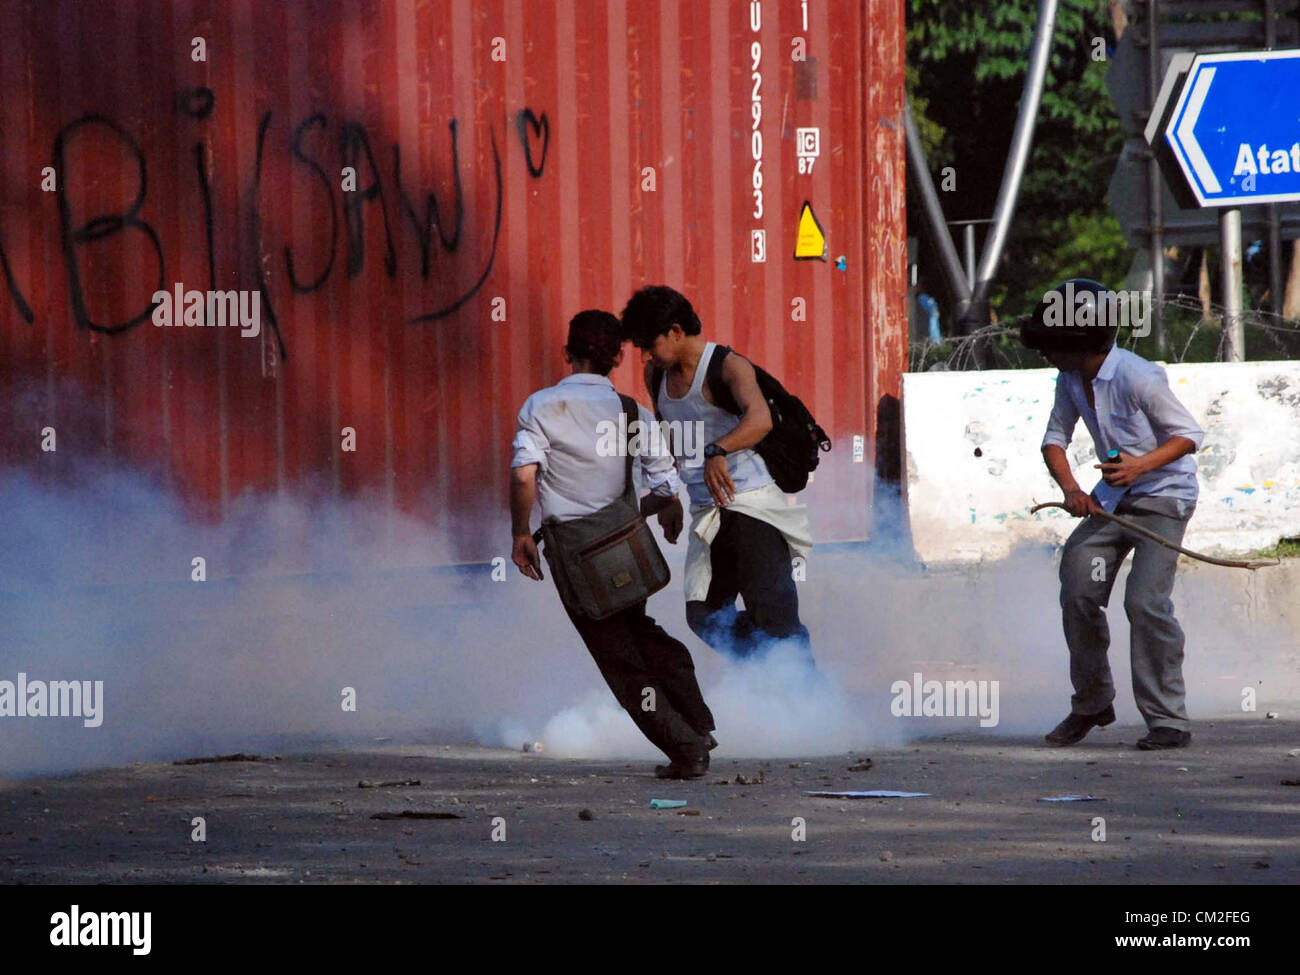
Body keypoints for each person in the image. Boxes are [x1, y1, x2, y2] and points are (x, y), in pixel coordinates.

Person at [509, 310, 717, 779]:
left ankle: (687, 749)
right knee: (642, 631)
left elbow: (524, 475)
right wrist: (657, 515)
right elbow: (665, 485)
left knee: (621, 662)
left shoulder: (541, 407)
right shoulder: (629, 411)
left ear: (569, 352)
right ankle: (697, 722)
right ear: (617, 357)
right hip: (626, 552)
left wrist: (522, 532)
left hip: (576, 560)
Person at [1022, 279, 1204, 751]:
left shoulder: (1138, 376)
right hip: (1112, 501)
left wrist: (1140, 466)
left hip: (1165, 498)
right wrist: (1072, 490)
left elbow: (1187, 434)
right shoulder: (1069, 379)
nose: (1045, 351)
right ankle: (1092, 702)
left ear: (1078, 342)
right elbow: (1054, 439)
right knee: (1079, 586)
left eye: (1052, 342)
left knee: (1144, 603)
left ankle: (1169, 720)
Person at [620, 285, 814, 668]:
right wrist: (670, 496)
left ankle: (805, 698)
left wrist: (718, 450)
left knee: (773, 618)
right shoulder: (656, 375)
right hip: (706, 516)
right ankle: (772, 675)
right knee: (706, 617)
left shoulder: (727, 366)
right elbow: (673, 436)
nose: (646, 354)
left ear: (676, 331)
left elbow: (760, 419)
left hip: (753, 510)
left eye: (650, 343)